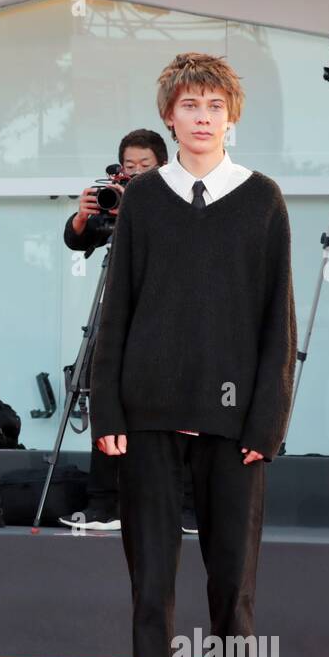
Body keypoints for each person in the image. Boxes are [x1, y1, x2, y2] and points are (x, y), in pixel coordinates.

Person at [91, 53, 296, 657]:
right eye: (189, 104)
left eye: (214, 104)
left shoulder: (263, 199)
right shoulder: (144, 200)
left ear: (230, 115)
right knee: (151, 593)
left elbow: (280, 321)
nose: (202, 116)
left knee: (232, 597)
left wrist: (265, 426)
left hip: (235, 431)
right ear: (170, 115)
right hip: (146, 422)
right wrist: (107, 409)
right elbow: (117, 310)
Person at [58, 128, 194, 533]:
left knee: (182, 410)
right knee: (107, 399)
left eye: (145, 167)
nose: (135, 174)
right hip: (121, 319)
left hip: (174, 320)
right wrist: (83, 216)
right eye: (129, 168)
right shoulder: (117, 201)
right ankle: (105, 504)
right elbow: (78, 238)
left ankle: (186, 505)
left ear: (163, 166)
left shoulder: (182, 196)